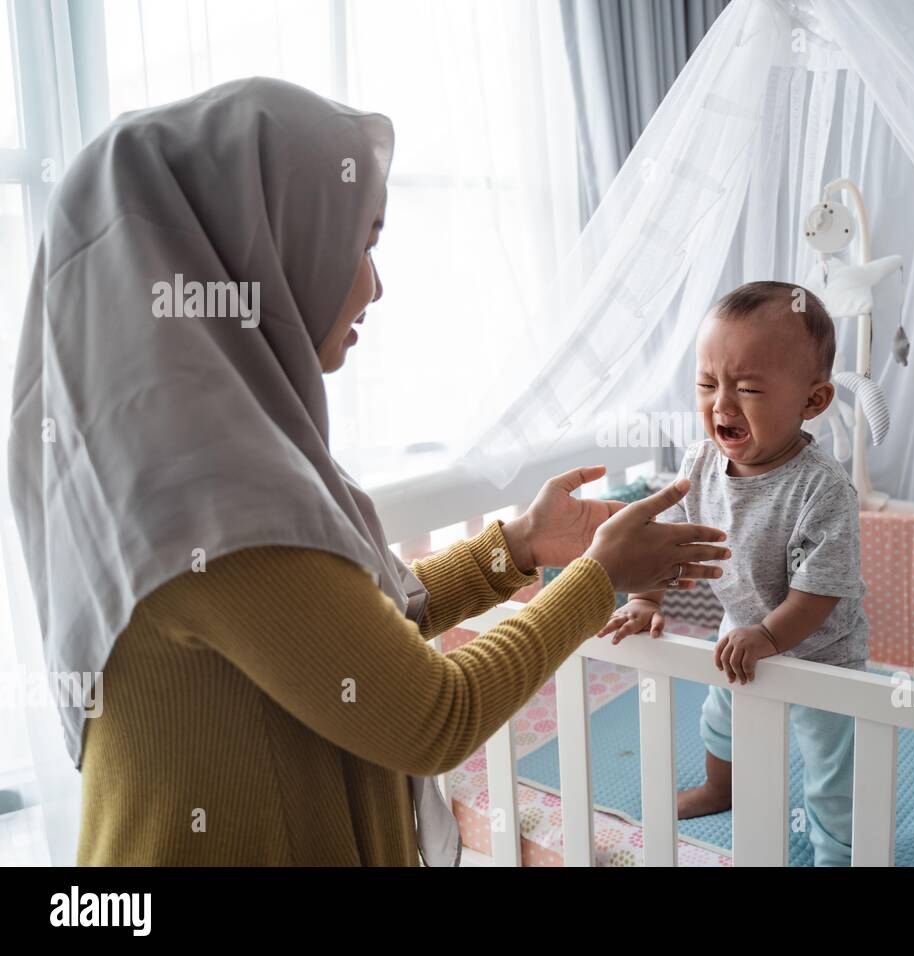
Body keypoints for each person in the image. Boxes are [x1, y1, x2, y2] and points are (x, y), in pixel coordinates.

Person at [6, 77, 729, 866]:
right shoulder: (208, 501)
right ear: (255, 250)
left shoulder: (191, 453)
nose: (375, 286)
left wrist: (515, 546)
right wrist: (598, 579)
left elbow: (354, 631)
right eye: (363, 243)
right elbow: (432, 714)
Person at [598, 281, 868, 866]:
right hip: (741, 626)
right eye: (706, 383)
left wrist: (771, 638)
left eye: (747, 389)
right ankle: (723, 788)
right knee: (719, 719)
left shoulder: (823, 488)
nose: (721, 404)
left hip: (822, 650)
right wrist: (645, 598)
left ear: (812, 401)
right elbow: (659, 540)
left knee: (832, 767)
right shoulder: (698, 464)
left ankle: (840, 851)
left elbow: (818, 593)